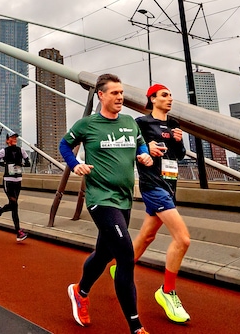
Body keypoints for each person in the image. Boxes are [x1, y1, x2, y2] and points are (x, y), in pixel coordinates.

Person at [59, 73, 152, 334]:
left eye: (121, 93)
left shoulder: (130, 123)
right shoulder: (87, 124)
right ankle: (136, 327)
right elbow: (64, 145)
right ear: (101, 95)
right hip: (100, 198)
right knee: (125, 256)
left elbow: (141, 145)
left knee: (104, 254)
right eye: (114, 93)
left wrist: (144, 156)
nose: (120, 97)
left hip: (124, 198)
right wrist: (75, 164)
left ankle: (80, 292)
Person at [114, 83, 193, 324]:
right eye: (164, 95)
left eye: (171, 95)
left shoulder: (174, 124)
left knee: (147, 235)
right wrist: (146, 147)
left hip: (170, 184)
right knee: (183, 239)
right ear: (152, 99)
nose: (170, 99)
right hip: (152, 185)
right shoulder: (141, 123)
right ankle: (167, 292)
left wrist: (178, 142)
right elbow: (129, 149)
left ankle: (121, 269)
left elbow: (179, 156)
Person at [0, 131, 30, 242]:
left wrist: (21, 164)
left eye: (15, 138)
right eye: (12, 137)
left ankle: (0, 210)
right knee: (14, 205)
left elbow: (28, 163)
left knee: (13, 205)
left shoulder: (21, 150)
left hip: (18, 181)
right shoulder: (3, 151)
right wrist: (5, 164)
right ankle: (18, 232)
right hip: (8, 181)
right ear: (7, 140)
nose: (14, 139)